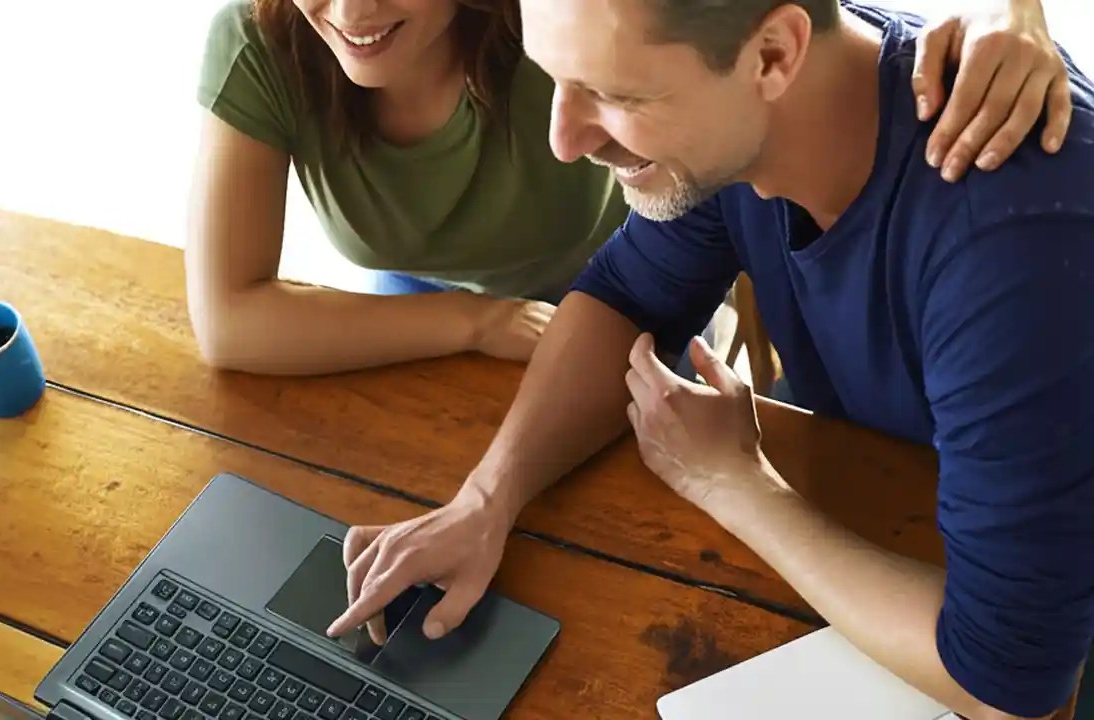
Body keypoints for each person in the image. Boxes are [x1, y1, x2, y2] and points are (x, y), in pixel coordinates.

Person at [327, 1, 1094, 718]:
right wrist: (484, 502)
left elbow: (1004, 679)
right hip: (914, 481)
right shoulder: (761, 120)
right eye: (557, 81)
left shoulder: (1013, 252)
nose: (565, 141)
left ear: (773, 54)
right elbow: (627, 294)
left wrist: (735, 484)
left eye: (615, 95)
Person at [185, 0, 1070, 376]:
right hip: (444, 303)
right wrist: (482, 327)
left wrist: (1014, 7)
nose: (347, 12)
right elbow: (229, 321)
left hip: (638, 265)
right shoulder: (264, 41)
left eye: (608, 97)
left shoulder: (573, 20)